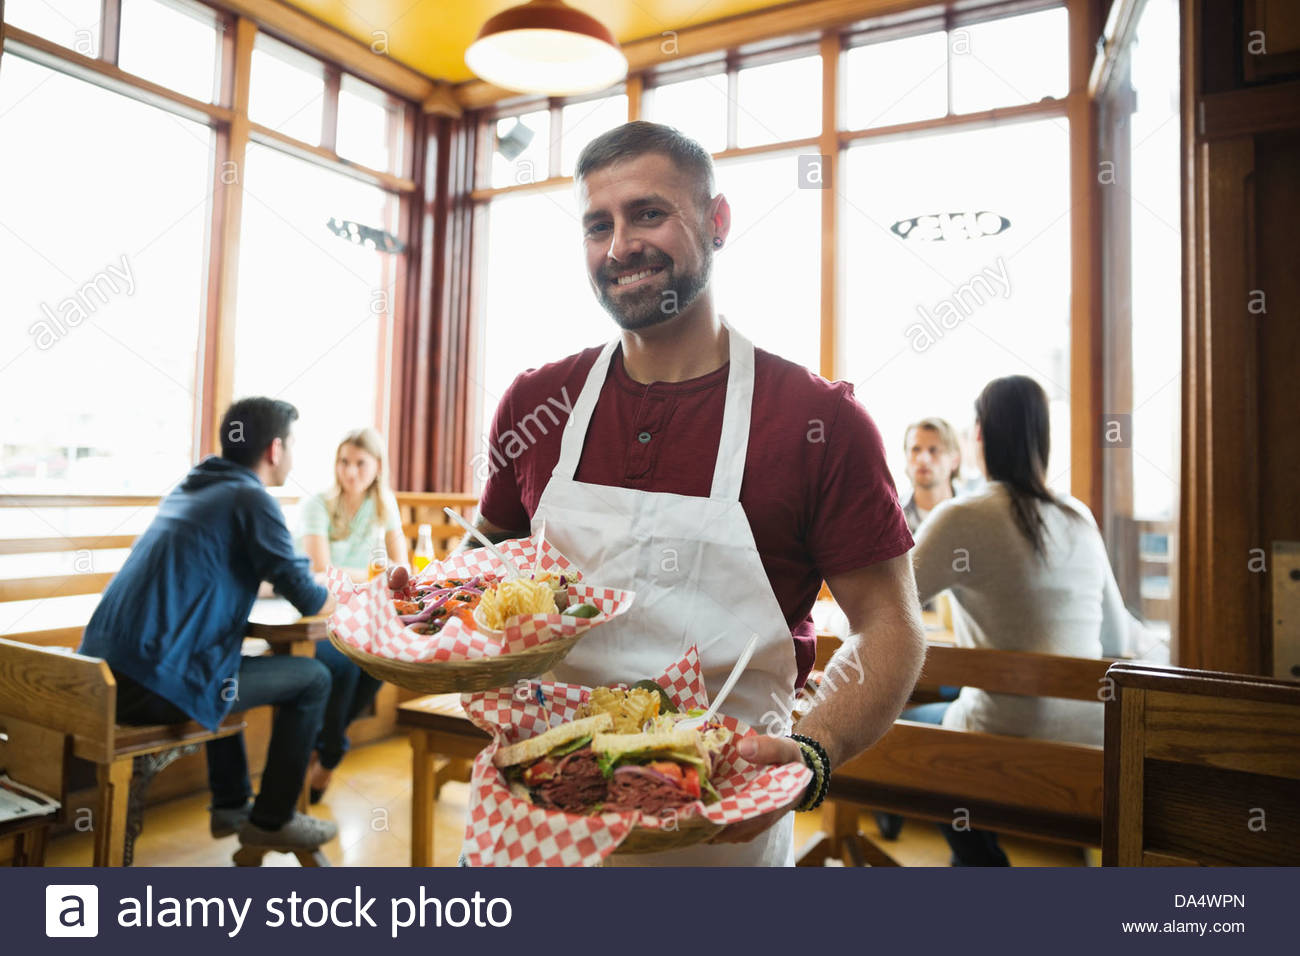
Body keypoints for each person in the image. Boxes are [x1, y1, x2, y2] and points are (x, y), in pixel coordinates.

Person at [466, 121, 927, 866]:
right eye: (597, 225)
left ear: (716, 221)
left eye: (648, 213)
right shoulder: (535, 402)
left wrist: (814, 750)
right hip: (534, 817)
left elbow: (891, 626)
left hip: (719, 831)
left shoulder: (818, 422)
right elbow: (483, 563)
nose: (619, 247)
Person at [79, 397, 340, 855]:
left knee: (229, 666)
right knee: (314, 679)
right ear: (276, 450)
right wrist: (350, 594)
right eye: (293, 444)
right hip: (150, 685)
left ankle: (231, 803)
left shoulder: (194, 486)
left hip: (101, 670)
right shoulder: (252, 497)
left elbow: (211, 568)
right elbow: (310, 597)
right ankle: (272, 820)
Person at [909, 375, 1128, 865]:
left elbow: (888, 604)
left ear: (980, 436)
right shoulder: (1079, 517)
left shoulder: (961, 515)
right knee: (937, 721)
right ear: (1042, 438)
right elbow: (1117, 634)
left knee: (898, 729)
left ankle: (982, 866)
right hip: (1093, 744)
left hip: (1002, 743)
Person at [298, 427, 407, 803]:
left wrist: (369, 575)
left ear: (377, 467)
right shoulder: (318, 505)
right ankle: (330, 753)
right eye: (344, 462)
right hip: (320, 616)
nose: (351, 471)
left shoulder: (384, 504)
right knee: (343, 664)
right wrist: (373, 573)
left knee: (384, 659)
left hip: (364, 612)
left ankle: (322, 748)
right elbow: (318, 573)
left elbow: (401, 568)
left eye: (361, 463)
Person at [901, 417, 962, 534]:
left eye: (933, 450)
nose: (923, 459)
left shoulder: (973, 512)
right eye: (915, 449)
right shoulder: (891, 517)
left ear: (954, 460)